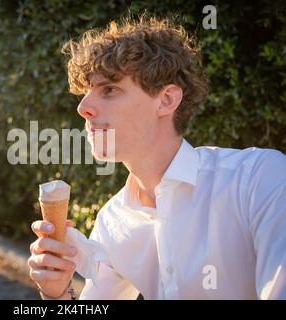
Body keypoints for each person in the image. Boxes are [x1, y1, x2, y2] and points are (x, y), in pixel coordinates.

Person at [27, 16, 286, 300]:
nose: (83, 107)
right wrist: (57, 292)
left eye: (109, 89)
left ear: (166, 100)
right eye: (86, 92)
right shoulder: (113, 222)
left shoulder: (259, 180)